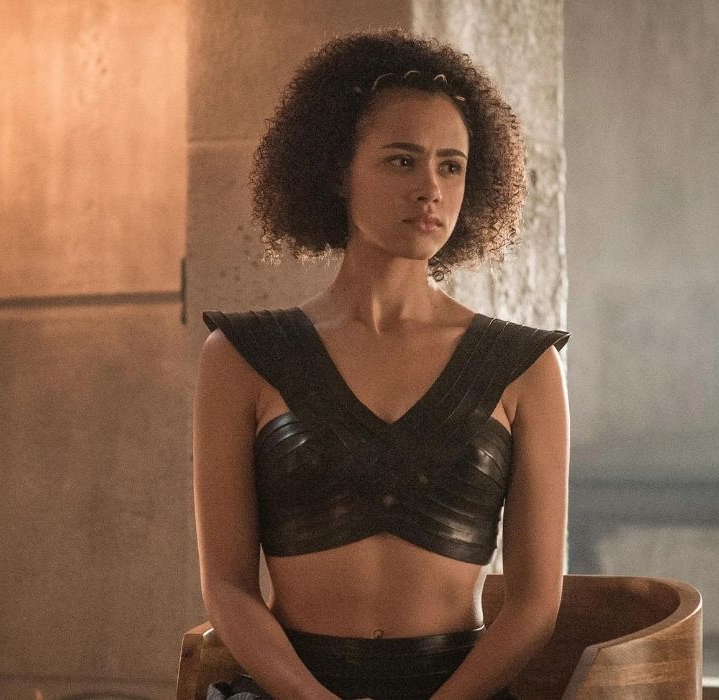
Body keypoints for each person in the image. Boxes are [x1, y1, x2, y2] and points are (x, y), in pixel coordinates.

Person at [192, 29, 569, 700]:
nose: (430, 189)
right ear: (337, 171)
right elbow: (227, 587)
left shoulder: (526, 366)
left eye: (451, 166)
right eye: (402, 161)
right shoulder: (240, 358)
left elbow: (535, 604)